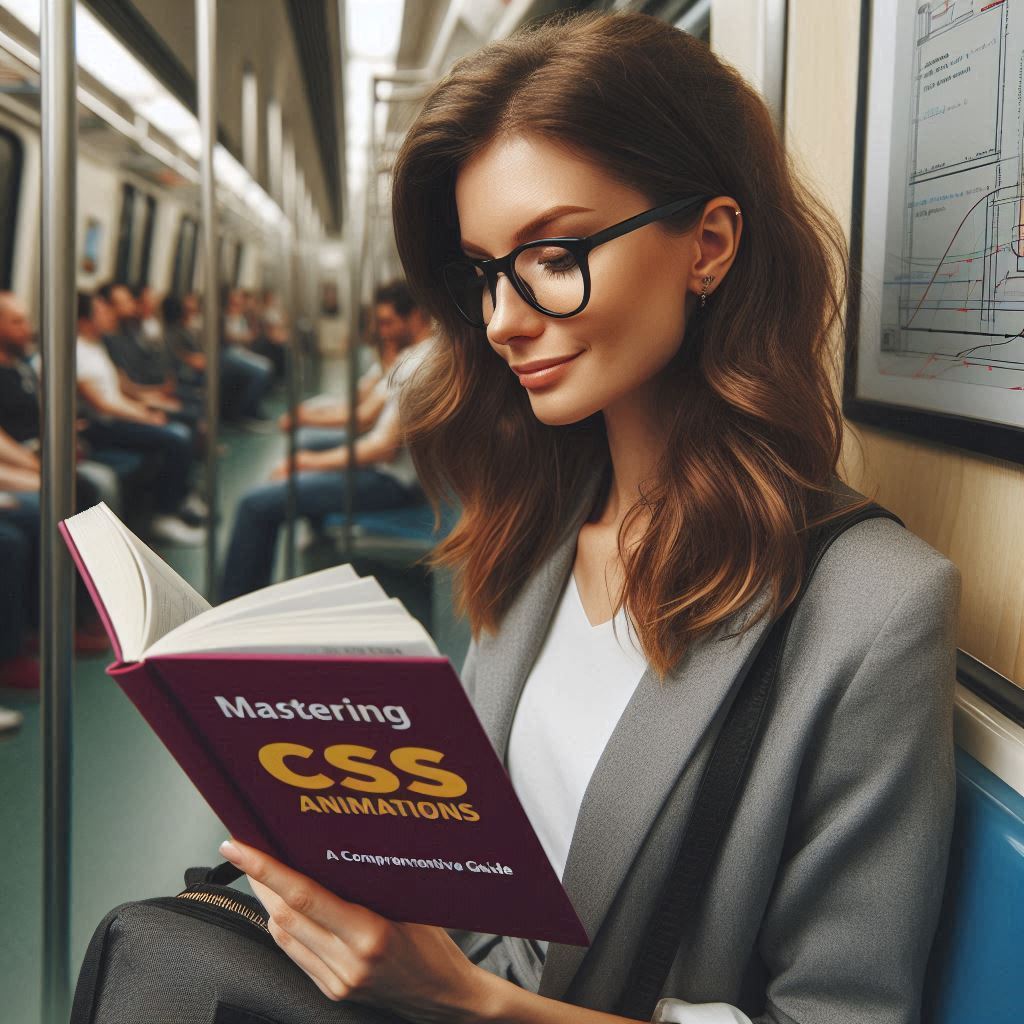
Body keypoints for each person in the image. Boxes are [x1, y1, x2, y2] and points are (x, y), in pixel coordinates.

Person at [216, 12, 961, 1024]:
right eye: (484, 271)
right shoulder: (532, 527)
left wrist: (471, 1002)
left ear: (708, 243)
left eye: (552, 254)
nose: (500, 319)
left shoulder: (871, 608)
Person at [218, 280, 434, 601]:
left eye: (388, 322)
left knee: (254, 506)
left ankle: (231, 609)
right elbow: (366, 412)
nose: (383, 331)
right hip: (392, 472)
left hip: (393, 483)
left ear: (415, 316)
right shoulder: (413, 357)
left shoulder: (420, 364)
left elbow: (381, 448)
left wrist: (306, 463)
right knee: (283, 479)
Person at [76, 292, 206, 545]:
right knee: (177, 437)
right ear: (84, 320)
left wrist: (145, 408)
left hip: (117, 418)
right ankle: (164, 516)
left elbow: (119, 390)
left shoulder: (98, 345)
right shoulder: (77, 352)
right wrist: (143, 415)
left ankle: (180, 497)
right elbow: (102, 404)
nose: (109, 315)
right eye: (102, 311)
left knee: (180, 426)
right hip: (101, 426)